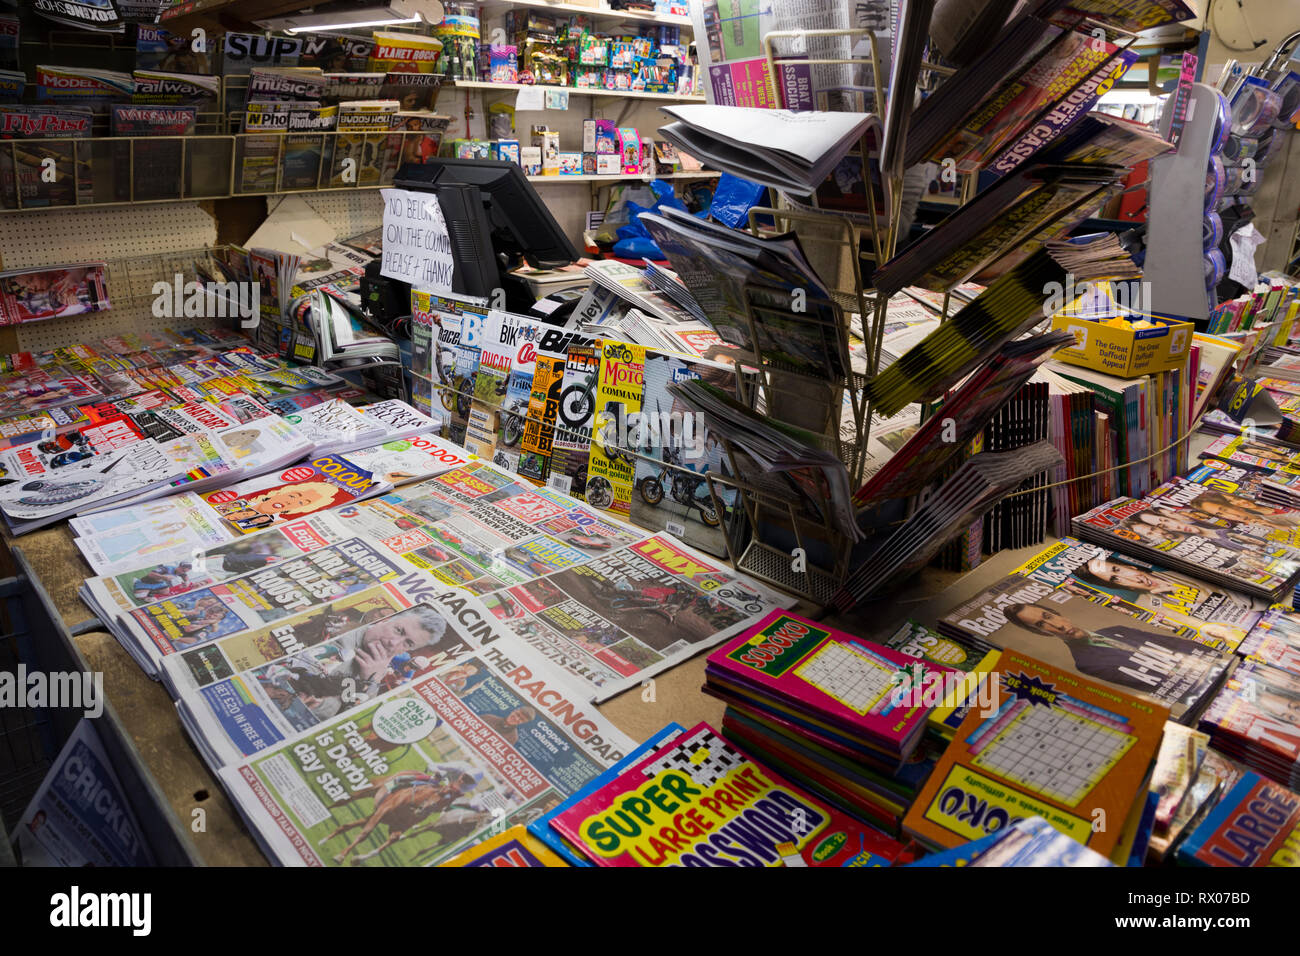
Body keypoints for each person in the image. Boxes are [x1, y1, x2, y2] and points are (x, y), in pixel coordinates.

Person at [1004, 601, 1212, 692]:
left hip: (1207, 663)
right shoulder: (1086, 663)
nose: (1056, 625)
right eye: (1041, 625)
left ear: (1060, 614)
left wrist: (1212, 657)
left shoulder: (1116, 628)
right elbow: (1153, 685)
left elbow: (1175, 642)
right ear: (1040, 633)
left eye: (1048, 616)